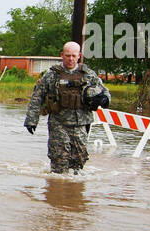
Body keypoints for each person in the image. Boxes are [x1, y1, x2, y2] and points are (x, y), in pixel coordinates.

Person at [24, 41, 110, 175]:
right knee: (60, 158)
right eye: (68, 55)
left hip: (81, 123)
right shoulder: (52, 75)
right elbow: (37, 97)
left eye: (74, 56)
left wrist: (104, 99)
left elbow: (104, 91)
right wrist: (31, 121)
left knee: (79, 160)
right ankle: (56, 190)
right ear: (62, 55)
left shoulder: (88, 74)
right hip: (59, 122)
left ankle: (74, 191)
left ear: (79, 56)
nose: (71, 59)